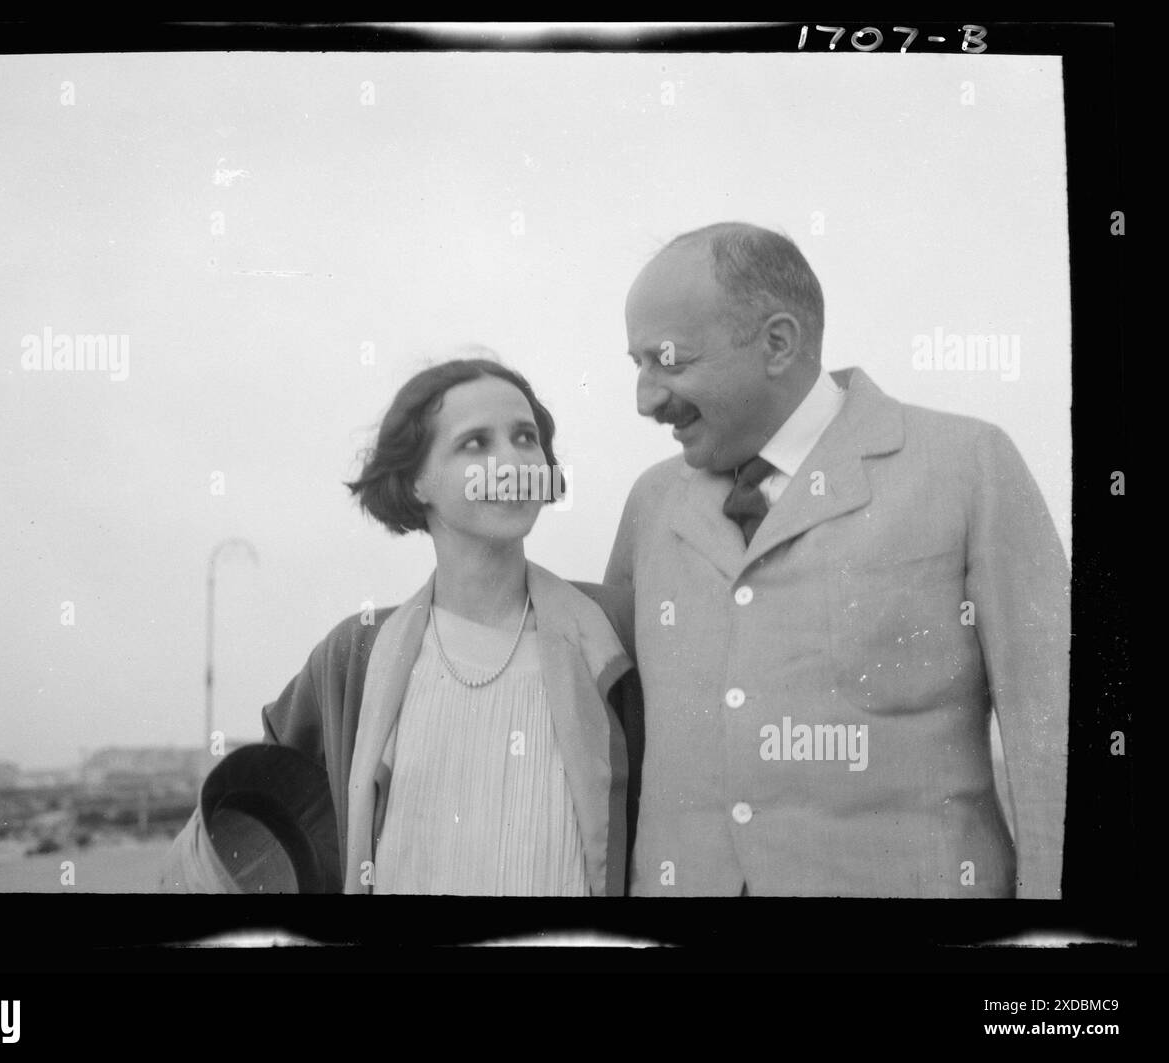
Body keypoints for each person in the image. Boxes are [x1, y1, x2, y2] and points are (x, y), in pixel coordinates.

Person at [605, 222, 1069, 898]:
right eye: (636, 365)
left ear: (778, 343)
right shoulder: (652, 502)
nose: (645, 398)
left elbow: (1057, 729)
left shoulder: (967, 465)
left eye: (669, 362)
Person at [161, 356, 642, 895]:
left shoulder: (612, 631)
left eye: (525, 438)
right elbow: (262, 808)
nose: (512, 461)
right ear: (417, 482)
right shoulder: (355, 654)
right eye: (476, 444)